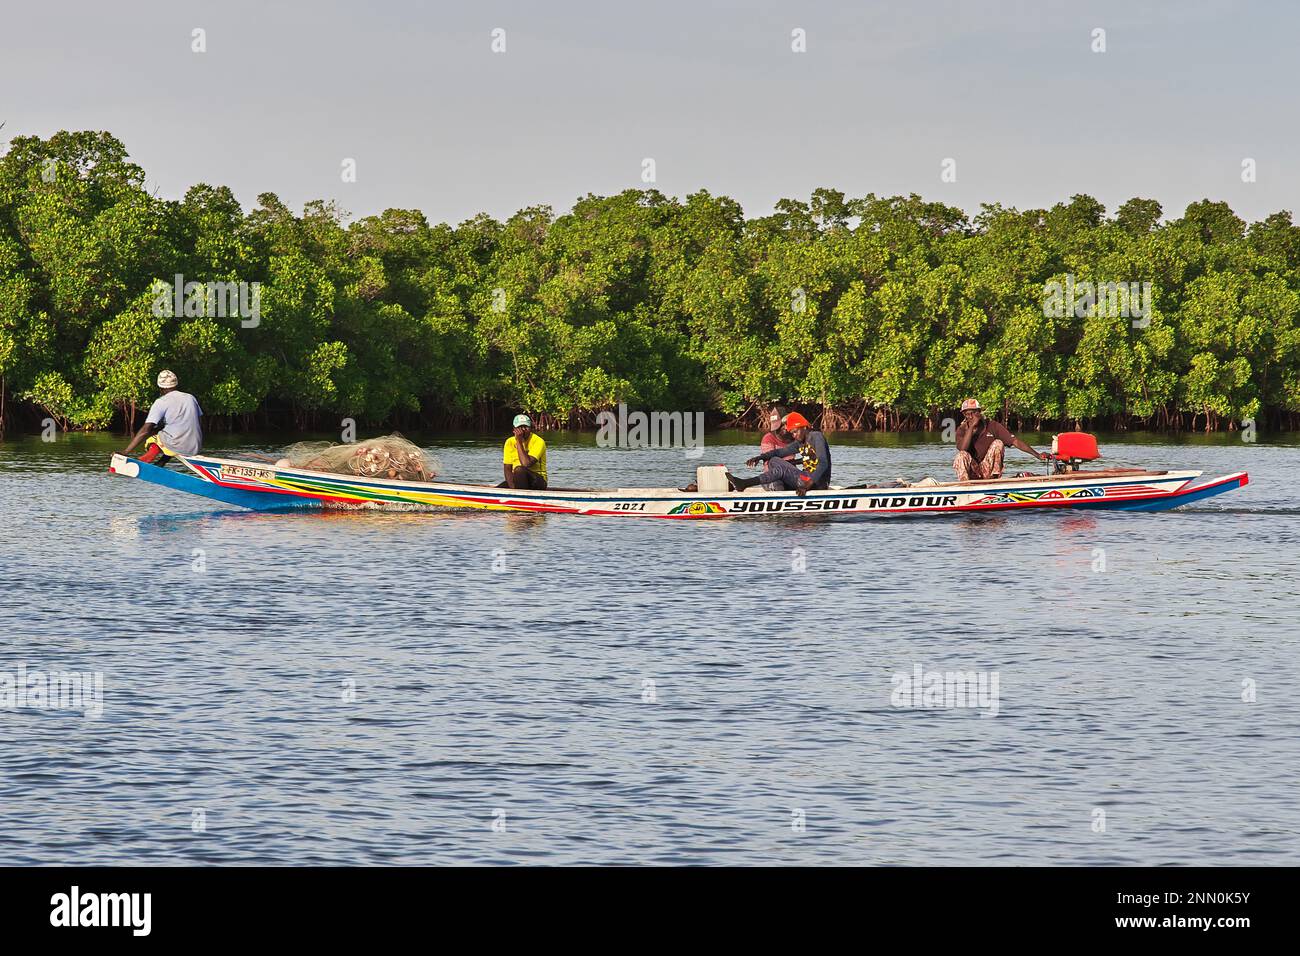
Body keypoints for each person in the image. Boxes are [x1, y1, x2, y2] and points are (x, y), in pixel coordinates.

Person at [952, 398, 1046, 481]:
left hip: (988, 469)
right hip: (973, 471)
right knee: (961, 455)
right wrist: (971, 427)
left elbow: (1015, 441)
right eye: (968, 414)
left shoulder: (992, 425)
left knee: (998, 443)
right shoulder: (961, 430)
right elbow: (963, 449)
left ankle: (994, 479)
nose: (971, 416)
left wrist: (1037, 455)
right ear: (964, 415)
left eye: (974, 413)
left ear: (979, 412)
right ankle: (965, 485)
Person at [122, 370, 203, 464]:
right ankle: (161, 463)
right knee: (169, 437)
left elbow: (146, 430)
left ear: (160, 388)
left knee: (153, 439)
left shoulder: (161, 402)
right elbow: (199, 422)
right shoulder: (191, 397)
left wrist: (126, 451)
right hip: (195, 447)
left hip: (176, 444)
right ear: (176, 385)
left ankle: (145, 459)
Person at [742, 411, 832, 496]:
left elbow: (823, 463)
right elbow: (780, 452)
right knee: (773, 460)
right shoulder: (799, 443)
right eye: (792, 433)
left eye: (795, 432)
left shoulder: (816, 436)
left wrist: (807, 485)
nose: (794, 435)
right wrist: (760, 457)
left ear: (804, 427)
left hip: (816, 482)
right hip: (804, 479)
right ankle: (747, 483)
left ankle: (746, 483)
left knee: (780, 468)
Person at [502, 414, 548, 489]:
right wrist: (512, 488)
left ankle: (522, 495)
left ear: (530, 428)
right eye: (520, 428)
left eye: (526, 427)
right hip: (518, 479)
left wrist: (519, 442)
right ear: (514, 429)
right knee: (499, 488)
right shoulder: (509, 442)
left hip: (538, 480)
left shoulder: (538, 441)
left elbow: (526, 464)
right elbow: (507, 468)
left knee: (519, 470)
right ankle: (518, 495)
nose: (523, 430)